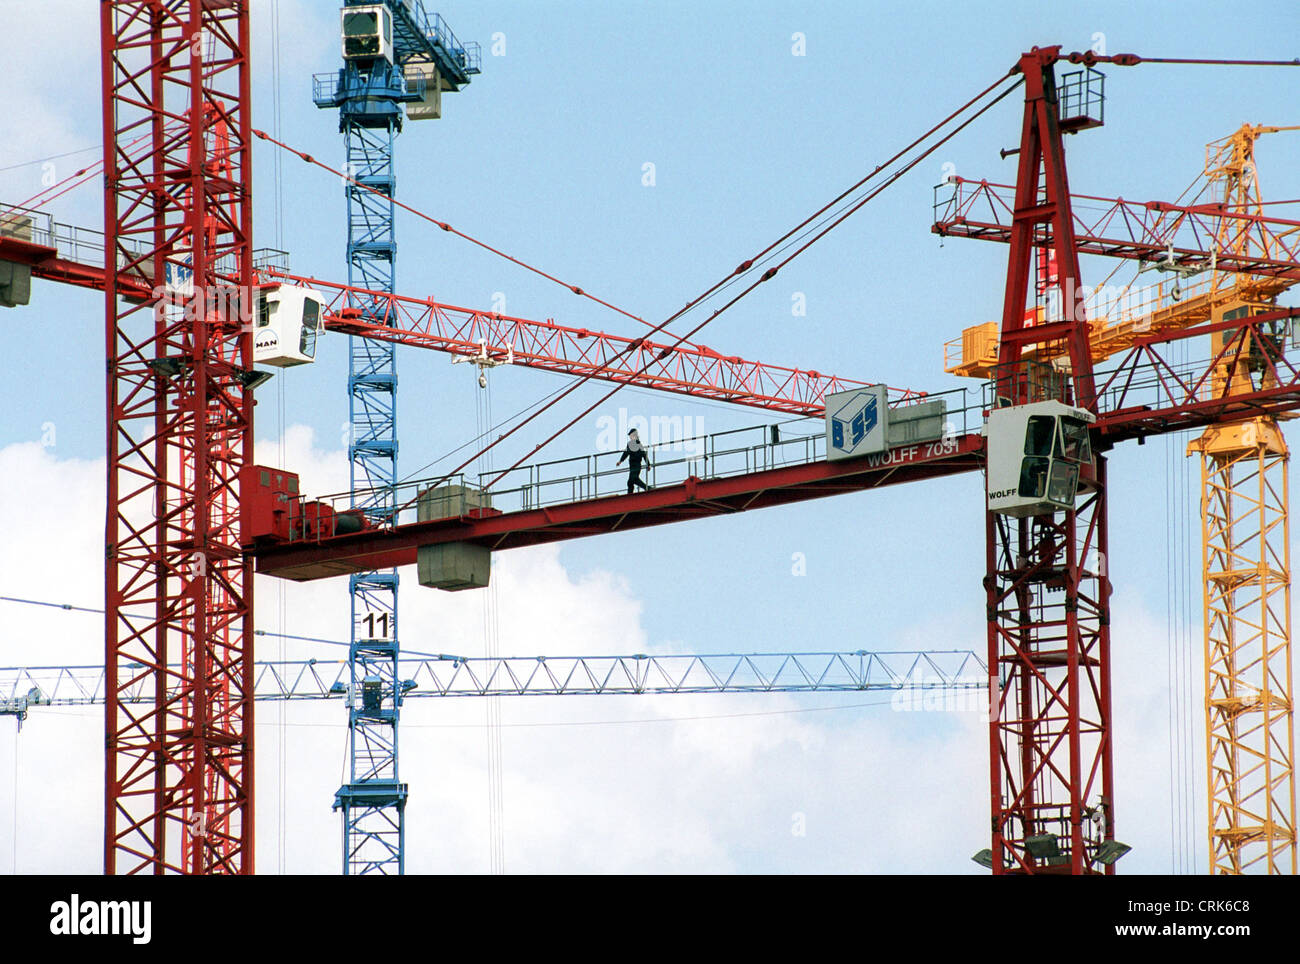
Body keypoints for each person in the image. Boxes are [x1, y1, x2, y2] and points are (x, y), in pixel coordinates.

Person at [617, 428, 652, 494]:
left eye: (630, 435)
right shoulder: (638, 444)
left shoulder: (634, 444)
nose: (630, 437)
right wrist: (648, 464)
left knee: (634, 479)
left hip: (635, 465)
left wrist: (620, 461)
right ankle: (630, 494)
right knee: (631, 481)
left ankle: (647, 488)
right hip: (635, 465)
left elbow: (627, 453)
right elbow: (643, 454)